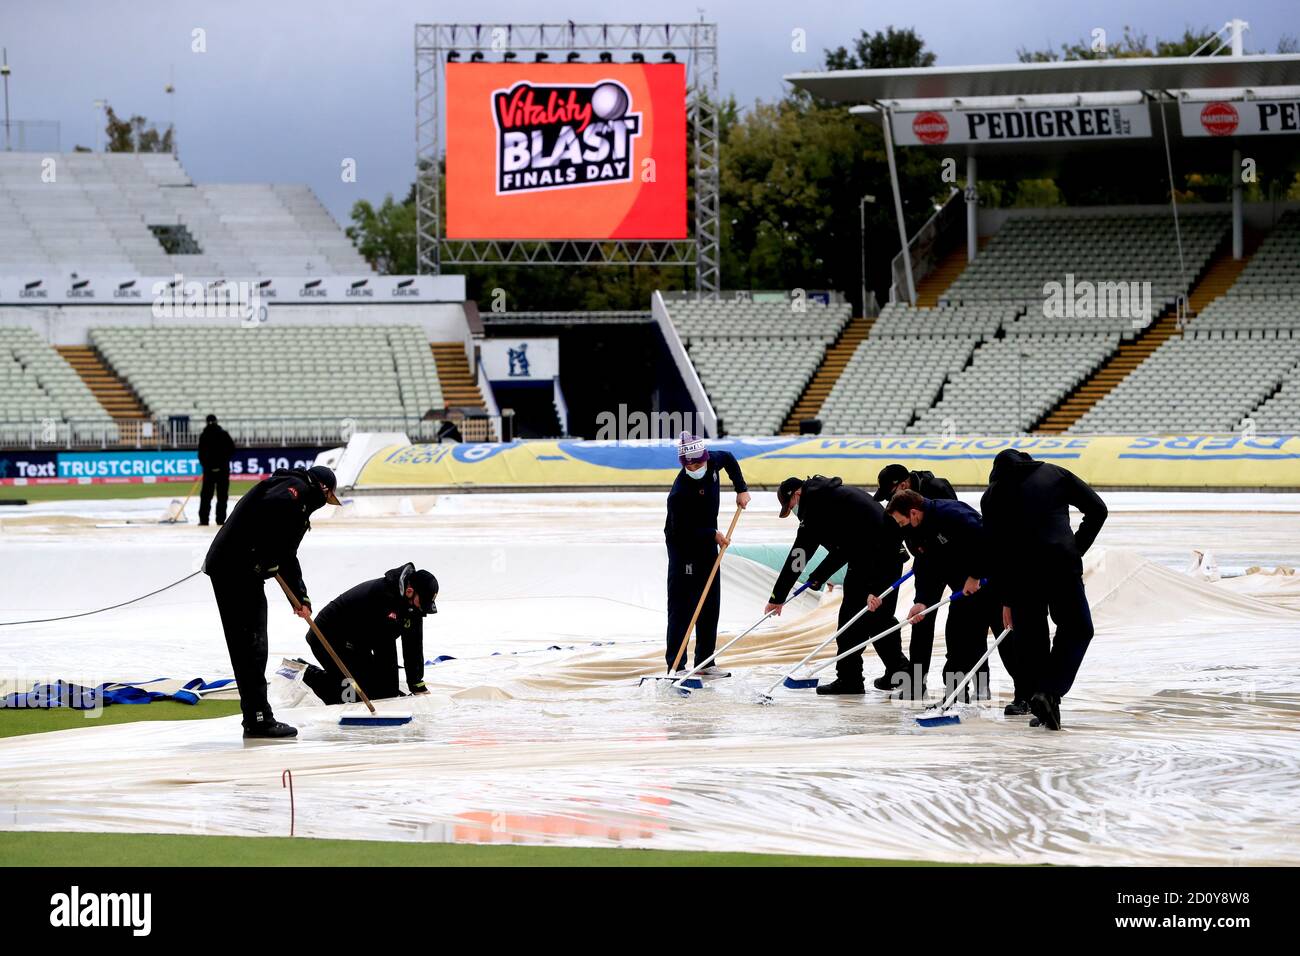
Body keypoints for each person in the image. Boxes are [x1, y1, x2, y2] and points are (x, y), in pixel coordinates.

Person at [203, 465, 340, 739]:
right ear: (322, 489)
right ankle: (257, 720)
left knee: (252, 646)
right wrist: (262, 555)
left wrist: (300, 596)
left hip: (240, 570)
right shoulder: (295, 490)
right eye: (326, 499)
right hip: (236, 570)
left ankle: (258, 716)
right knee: (250, 646)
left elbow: (287, 554)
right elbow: (270, 514)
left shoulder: (296, 498)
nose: (323, 505)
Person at [981, 450, 1108, 730]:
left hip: (1020, 576)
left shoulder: (991, 495)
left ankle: (1044, 699)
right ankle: (1048, 694)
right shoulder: (1054, 473)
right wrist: (1076, 547)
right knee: (1077, 628)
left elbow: (994, 552)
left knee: (1033, 641)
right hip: (1060, 566)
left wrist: (1006, 600)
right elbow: (1098, 509)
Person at [764, 475, 909, 695]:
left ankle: (851, 680)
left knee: (852, 621)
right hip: (880, 557)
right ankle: (900, 673)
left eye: (790, 506)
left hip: (875, 559)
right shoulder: (827, 497)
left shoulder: (817, 507)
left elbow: (800, 555)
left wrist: (779, 596)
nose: (793, 512)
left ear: (797, 494)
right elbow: (842, 545)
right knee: (877, 619)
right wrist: (811, 580)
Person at [884, 489, 1024, 708]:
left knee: (1007, 643)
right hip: (964, 590)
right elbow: (924, 565)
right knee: (956, 640)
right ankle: (955, 696)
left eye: (902, 522)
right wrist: (921, 600)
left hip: (991, 584)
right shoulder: (916, 530)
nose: (901, 527)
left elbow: (988, 542)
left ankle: (1027, 696)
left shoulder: (951, 514)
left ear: (913, 513)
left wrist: (976, 575)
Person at [664, 432, 751, 676]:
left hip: (707, 546)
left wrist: (741, 489)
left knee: (710, 603)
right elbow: (681, 531)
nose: (695, 466)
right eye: (689, 464)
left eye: (698, 462)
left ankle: (705, 662)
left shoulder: (713, 461)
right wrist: (712, 534)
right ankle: (676, 665)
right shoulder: (679, 493)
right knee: (684, 607)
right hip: (684, 550)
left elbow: (731, 459)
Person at [870, 463, 958, 695]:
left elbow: (957, 527)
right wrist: (875, 586)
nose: (889, 501)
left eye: (889, 494)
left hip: (955, 564)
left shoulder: (939, 488)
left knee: (963, 623)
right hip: (927, 565)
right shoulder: (897, 507)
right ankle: (916, 682)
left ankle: (967, 686)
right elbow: (890, 539)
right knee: (921, 618)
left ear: (903, 485)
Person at [297, 563, 438, 705]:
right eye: (423, 602)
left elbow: (413, 645)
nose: (423, 607)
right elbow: (384, 648)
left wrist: (416, 684)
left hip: (356, 642)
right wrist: (390, 693)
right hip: (327, 637)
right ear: (409, 591)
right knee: (358, 694)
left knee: (379, 689)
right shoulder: (385, 596)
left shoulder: (414, 605)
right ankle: (304, 674)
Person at [197, 414, 235, 526]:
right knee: (222, 496)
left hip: (209, 471)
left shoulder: (204, 435)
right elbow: (231, 450)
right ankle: (220, 520)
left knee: (206, 496)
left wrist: (206, 465)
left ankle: (204, 520)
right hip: (223, 470)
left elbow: (200, 454)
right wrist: (223, 462)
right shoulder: (224, 434)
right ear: (216, 421)